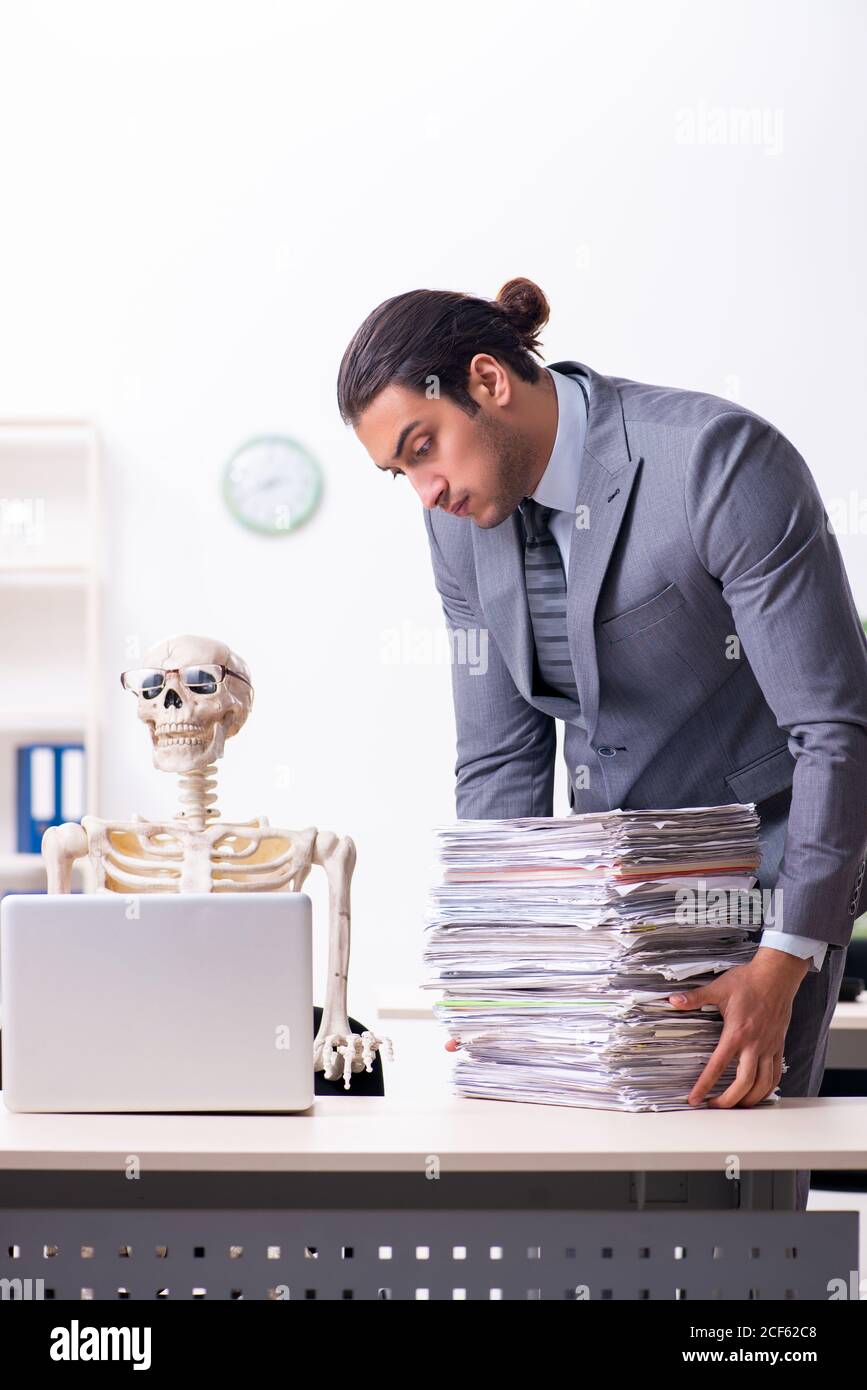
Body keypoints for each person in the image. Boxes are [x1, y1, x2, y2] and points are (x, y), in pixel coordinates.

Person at [337, 277, 867, 1207]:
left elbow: (834, 729)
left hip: (763, 881)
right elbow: (500, 761)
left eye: (423, 448)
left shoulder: (715, 460)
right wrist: (505, 969)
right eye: (399, 472)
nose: (426, 490)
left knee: (731, 1200)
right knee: (589, 1196)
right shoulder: (457, 524)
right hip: (603, 904)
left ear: (488, 380)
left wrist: (787, 957)